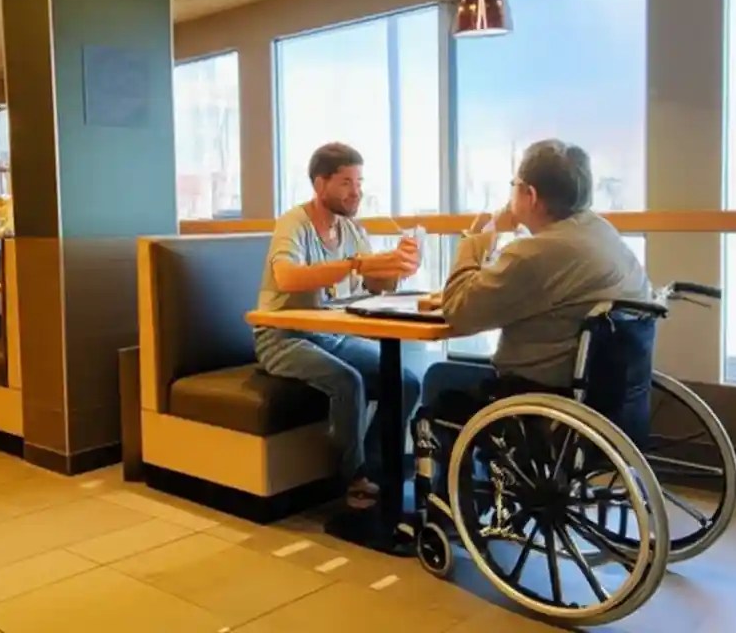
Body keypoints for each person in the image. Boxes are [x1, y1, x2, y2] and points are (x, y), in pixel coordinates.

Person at [428, 138, 652, 422]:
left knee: (440, 379)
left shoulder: (536, 254)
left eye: (514, 184)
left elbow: (459, 311)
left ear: (530, 195)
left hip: (540, 399)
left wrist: (476, 242)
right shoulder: (601, 232)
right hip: (605, 399)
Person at [254, 142, 423, 510]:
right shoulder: (294, 223)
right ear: (320, 184)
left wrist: (398, 266)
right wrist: (355, 265)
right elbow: (286, 277)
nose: (356, 191)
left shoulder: (350, 228)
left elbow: (374, 284)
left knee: (406, 381)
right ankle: (352, 477)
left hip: (330, 336)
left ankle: (379, 470)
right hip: (281, 338)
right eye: (346, 182)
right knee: (348, 381)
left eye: (359, 181)